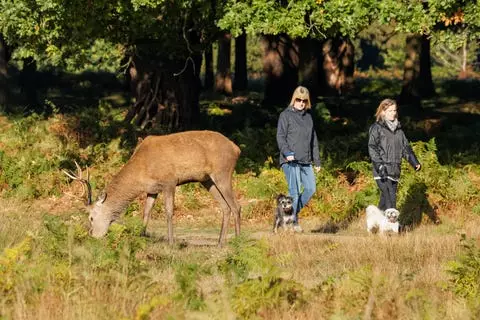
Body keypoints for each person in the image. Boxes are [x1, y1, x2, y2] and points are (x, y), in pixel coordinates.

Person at [276, 86, 321, 232]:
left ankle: (288, 214)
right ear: (293, 99)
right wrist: (287, 152)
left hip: (305, 160)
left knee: (311, 189)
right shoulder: (285, 115)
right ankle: (293, 223)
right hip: (290, 160)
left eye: (304, 100)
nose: (301, 103)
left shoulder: (308, 117)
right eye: (298, 100)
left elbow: (313, 140)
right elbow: (280, 136)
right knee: (294, 192)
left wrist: (317, 161)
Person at [368, 98, 421, 211]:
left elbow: (405, 148)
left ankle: (376, 220)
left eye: (394, 110)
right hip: (382, 170)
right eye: (390, 111)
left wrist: (414, 162)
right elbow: (372, 147)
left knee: (385, 200)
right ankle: (393, 226)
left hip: (395, 169)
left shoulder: (399, 131)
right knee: (390, 198)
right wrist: (379, 165)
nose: (393, 113)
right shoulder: (376, 128)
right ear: (383, 112)